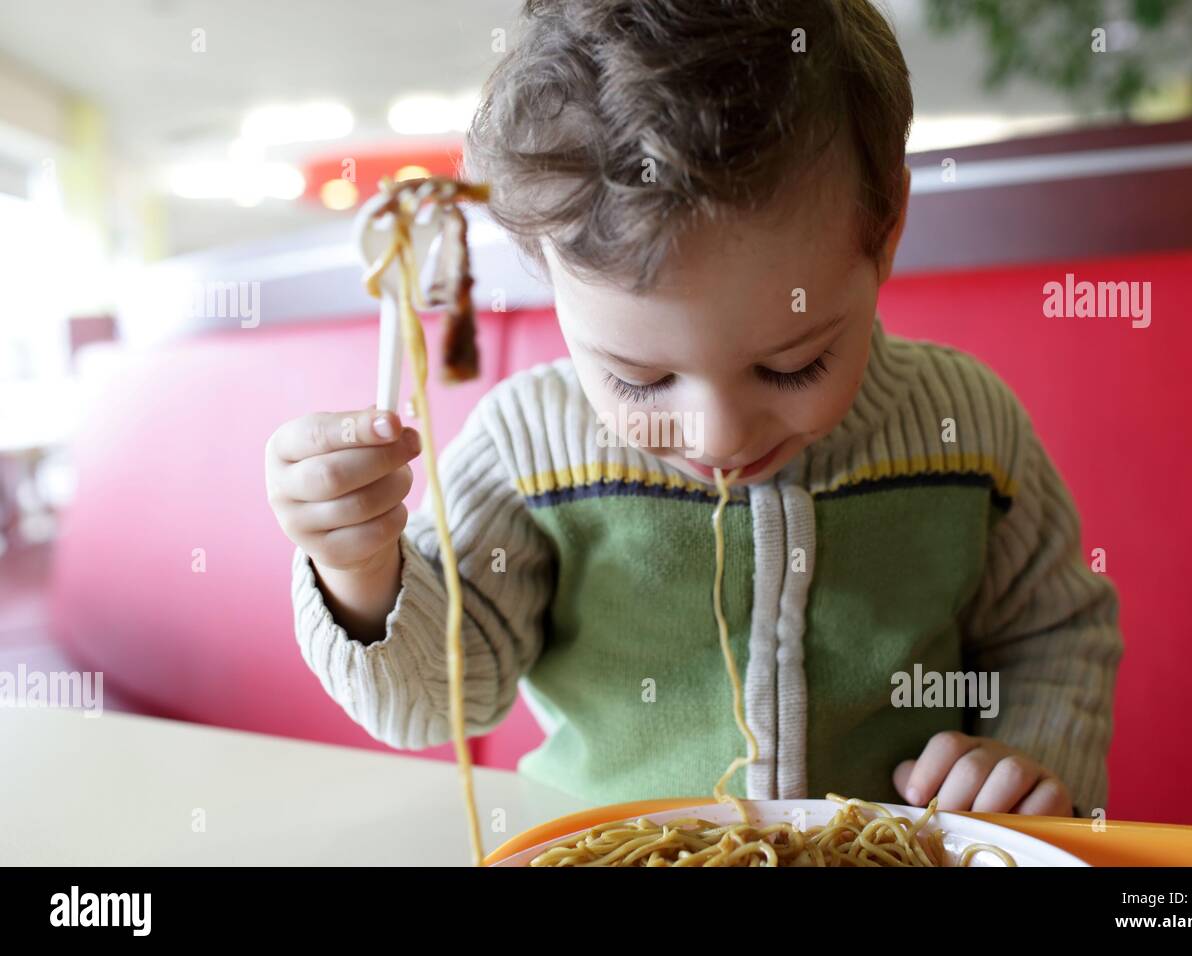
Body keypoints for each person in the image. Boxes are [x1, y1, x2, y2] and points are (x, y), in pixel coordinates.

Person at [265, 0, 1121, 818]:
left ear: (886, 222)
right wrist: (360, 575)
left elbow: (1055, 636)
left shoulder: (966, 429)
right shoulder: (531, 450)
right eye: (639, 380)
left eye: (793, 364)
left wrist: (1027, 761)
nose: (718, 437)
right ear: (545, 270)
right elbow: (438, 700)